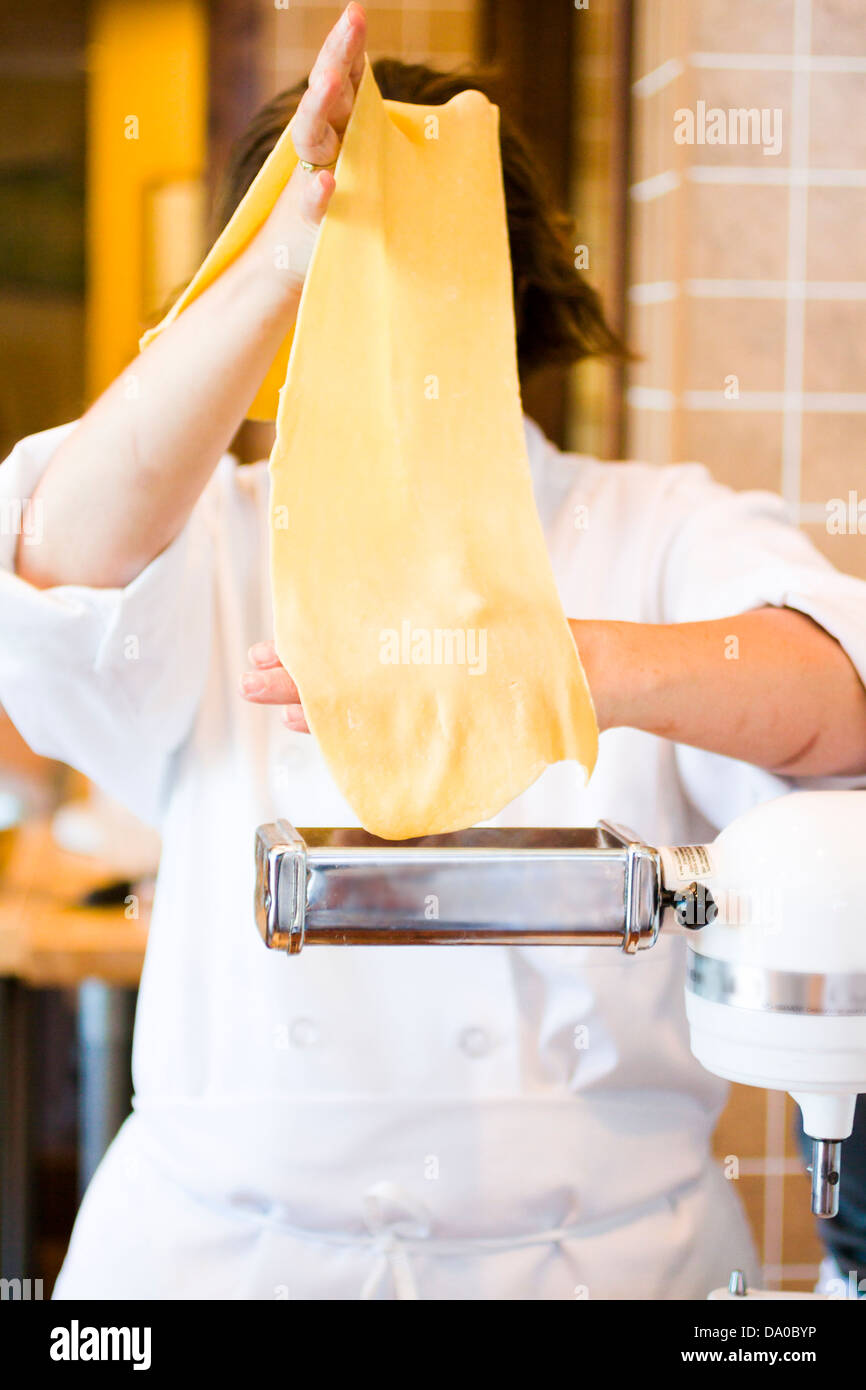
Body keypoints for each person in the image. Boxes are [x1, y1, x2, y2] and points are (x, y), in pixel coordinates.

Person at [2, 4, 866, 1300]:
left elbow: (839, 695)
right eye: (329, 273)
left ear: (508, 283)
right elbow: (60, 557)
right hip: (224, 1264)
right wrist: (279, 258)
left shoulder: (652, 523)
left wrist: (553, 665)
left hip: (603, 1269)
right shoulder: (216, 531)